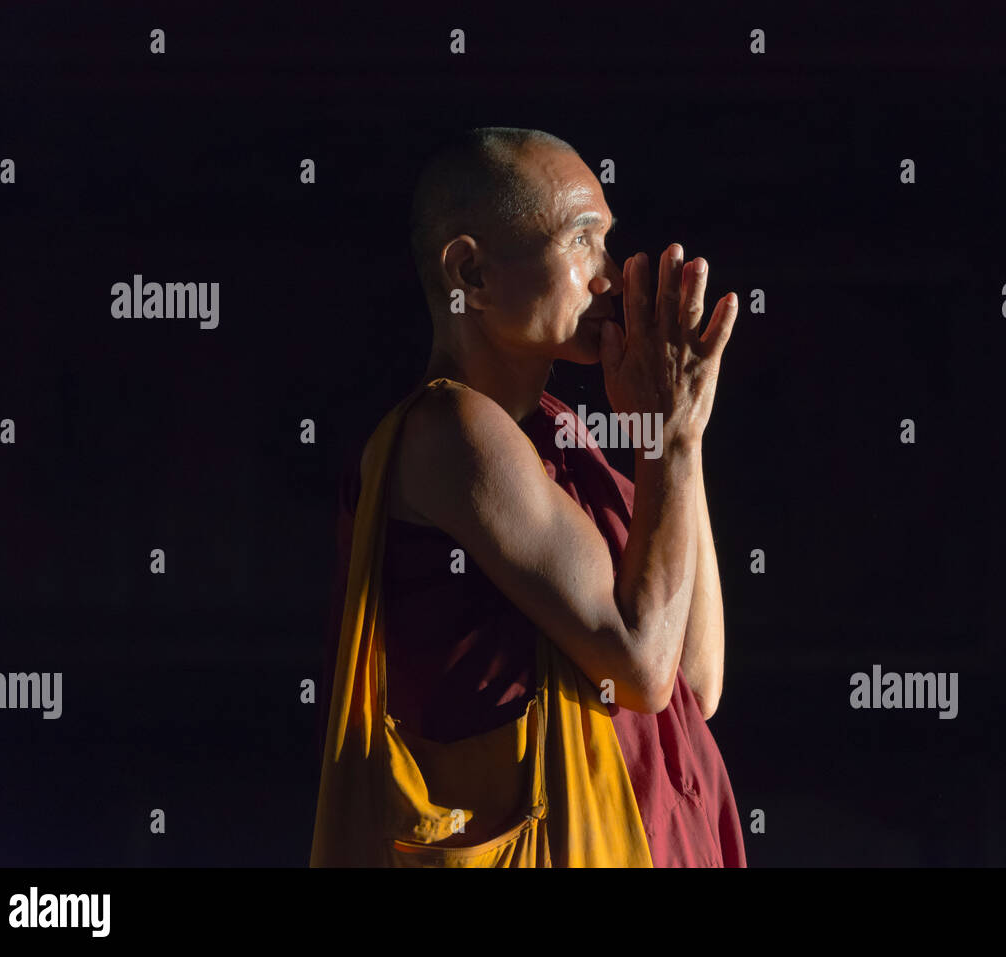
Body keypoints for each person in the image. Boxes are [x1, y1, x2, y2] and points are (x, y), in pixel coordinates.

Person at [315, 127, 744, 866]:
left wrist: (682, 428)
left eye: (608, 241)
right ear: (471, 272)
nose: (609, 276)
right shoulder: (447, 430)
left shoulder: (563, 436)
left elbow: (692, 681)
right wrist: (666, 439)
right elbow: (640, 666)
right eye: (581, 241)